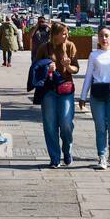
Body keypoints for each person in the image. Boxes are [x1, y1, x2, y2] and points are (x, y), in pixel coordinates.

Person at [82, 27, 110, 170]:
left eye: (107, 36)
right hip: (97, 94)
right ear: (98, 38)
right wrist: (83, 96)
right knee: (100, 127)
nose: (104, 39)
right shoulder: (94, 55)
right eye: (101, 36)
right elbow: (89, 75)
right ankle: (102, 156)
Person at [39, 22, 78, 168]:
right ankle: (54, 158)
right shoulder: (45, 48)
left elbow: (76, 69)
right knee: (50, 125)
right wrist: (46, 67)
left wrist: (68, 66)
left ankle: (67, 150)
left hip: (66, 89)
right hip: (49, 90)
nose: (66, 35)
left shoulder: (70, 46)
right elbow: (35, 67)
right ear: (55, 35)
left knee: (66, 124)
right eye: (63, 33)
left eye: (66, 33)